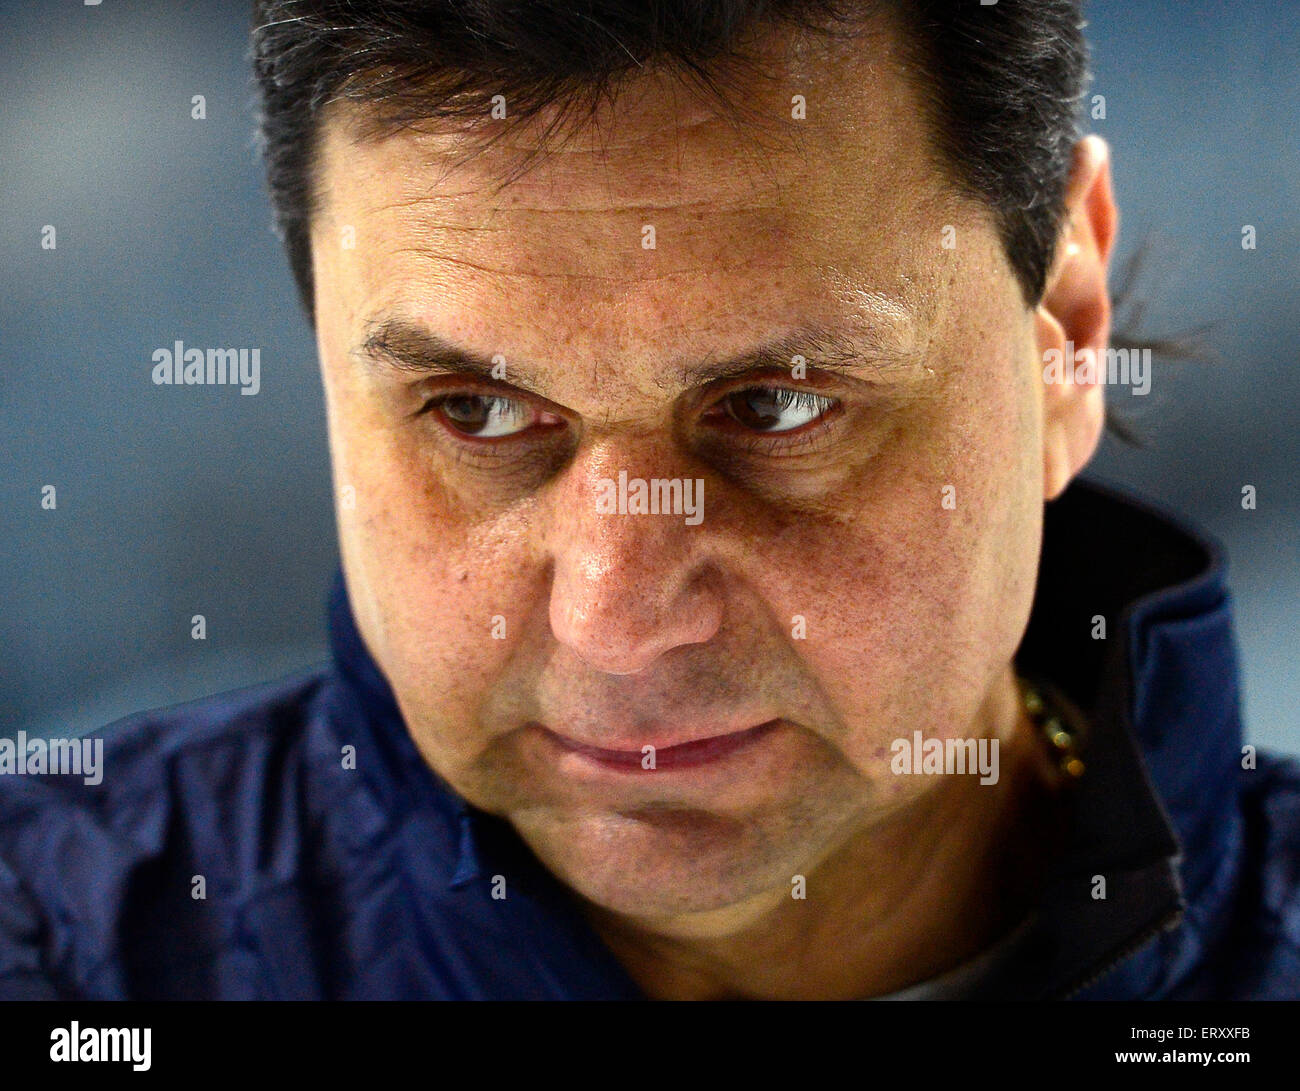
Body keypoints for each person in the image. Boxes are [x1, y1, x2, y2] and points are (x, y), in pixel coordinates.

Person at [1, 0, 1296, 1000]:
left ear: (1065, 333)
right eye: (477, 414)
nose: (615, 619)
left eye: (779, 407)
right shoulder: (55, 947)